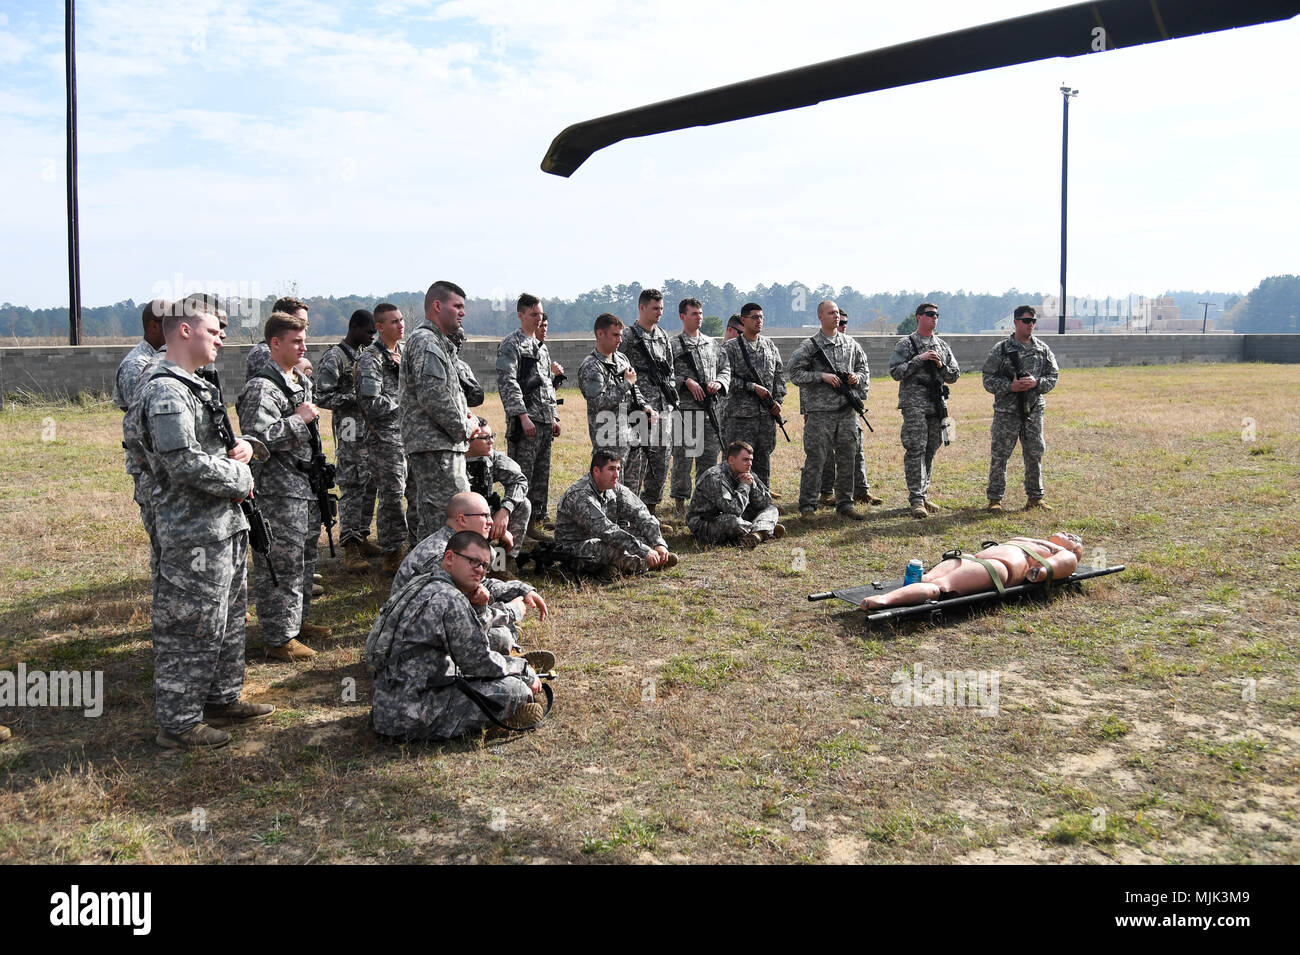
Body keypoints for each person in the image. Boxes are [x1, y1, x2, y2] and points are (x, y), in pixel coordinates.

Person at [134, 295, 273, 748]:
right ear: (185, 331)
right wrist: (240, 473)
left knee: (227, 618)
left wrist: (243, 450)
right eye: (214, 331)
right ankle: (177, 723)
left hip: (222, 525)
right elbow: (183, 464)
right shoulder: (165, 390)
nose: (222, 337)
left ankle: (221, 698)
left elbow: (211, 449)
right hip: (191, 531)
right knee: (189, 624)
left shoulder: (198, 385)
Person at [368, 531, 548, 740]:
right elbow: (478, 663)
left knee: (493, 663)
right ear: (450, 558)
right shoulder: (450, 597)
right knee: (515, 690)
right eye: (473, 562)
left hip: (386, 706)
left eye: (484, 566)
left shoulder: (421, 582)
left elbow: (469, 645)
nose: (480, 570)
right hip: (413, 716)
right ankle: (493, 723)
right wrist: (524, 671)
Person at [236, 311, 332, 663]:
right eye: (295, 340)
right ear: (275, 343)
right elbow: (255, 440)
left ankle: (298, 621)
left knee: (305, 560)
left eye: (304, 339)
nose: (303, 345)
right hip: (278, 490)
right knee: (282, 563)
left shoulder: (300, 383)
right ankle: (279, 636)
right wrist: (297, 420)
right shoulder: (262, 387)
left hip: (305, 486)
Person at [392, 493, 549, 655]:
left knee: (498, 619)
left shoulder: (457, 545)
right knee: (500, 637)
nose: (491, 521)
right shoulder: (443, 557)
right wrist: (510, 611)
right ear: (462, 520)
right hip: (412, 645)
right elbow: (463, 619)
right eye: (485, 515)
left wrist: (521, 589)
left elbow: (479, 586)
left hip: (427, 627)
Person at [401, 280, 476, 542]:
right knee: (447, 516)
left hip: (441, 443)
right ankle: (433, 576)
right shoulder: (425, 341)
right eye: (457, 306)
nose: (462, 312)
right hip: (435, 444)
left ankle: (433, 574)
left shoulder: (438, 342)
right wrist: (464, 427)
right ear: (437, 306)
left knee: (438, 516)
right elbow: (433, 395)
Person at [790, 300, 870, 519]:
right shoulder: (810, 346)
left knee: (847, 458)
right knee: (815, 460)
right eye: (830, 313)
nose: (835, 316)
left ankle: (846, 503)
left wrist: (857, 378)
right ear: (820, 317)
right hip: (820, 414)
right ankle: (807, 506)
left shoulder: (851, 344)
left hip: (846, 411)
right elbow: (794, 373)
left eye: (837, 313)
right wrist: (821, 377)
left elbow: (864, 369)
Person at [862, 532, 1083, 609]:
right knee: (928, 576)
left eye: (1072, 538)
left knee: (940, 587)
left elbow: (1061, 565)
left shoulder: (1060, 552)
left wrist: (1042, 573)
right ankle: (900, 594)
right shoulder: (1038, 541)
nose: (1065, 533)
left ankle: (884, 600)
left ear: (1072, 548)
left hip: (998, 567)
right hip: (972, 558)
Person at [315, 308, 378, 571]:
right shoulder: (335, 357)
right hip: (350, 433)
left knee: (370, 485)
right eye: (368, 331)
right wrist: (355, 398)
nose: (372, 337)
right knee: (352, 487)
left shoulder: (365, 356)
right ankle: (350, 546)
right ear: (354, 328)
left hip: (371, 433)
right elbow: (321, 395)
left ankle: (362, 535)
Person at [982, 305, 1061, 511]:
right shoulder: (1002, 349)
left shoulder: (1042, 349)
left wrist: (1036, 383)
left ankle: (1035, 497)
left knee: (1035, 453)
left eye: (1034, 321)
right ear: (1016, 322)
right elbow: (988, 379)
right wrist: (1011, 386)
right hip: (1007, 412)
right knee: (1000, 454)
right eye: (1027, 321)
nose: (1031, 325)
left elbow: (1053, 377)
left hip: (1033, 410)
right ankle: (995, 499)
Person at [553, 450, 677, 580]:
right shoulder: (581, 496)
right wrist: (645, 551)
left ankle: (618, 567)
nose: (616, 474)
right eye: (611, 469)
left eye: (618, 469)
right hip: (575, 546)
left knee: (641, 537)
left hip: (603, 539)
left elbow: (640, 513)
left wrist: (658, 542)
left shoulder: (613, 487)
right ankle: (646, 564)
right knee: (611, 550)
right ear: (596, 471)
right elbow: (606, 531)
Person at [497, 293, 560, 543]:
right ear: (521, 314)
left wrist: (553, 416)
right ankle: (515, 529)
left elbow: (546, 384)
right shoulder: (511, 344)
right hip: (526, 423)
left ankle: (533, 525)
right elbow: (508, 382)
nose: (538, 318)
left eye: (540, 314)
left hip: (544, 419)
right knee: (521, 477)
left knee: (540, 477)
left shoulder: (541, 348)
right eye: (534, 314)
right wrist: (522, 416)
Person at [355, 303, 413, 573]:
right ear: (379, 327)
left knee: (415, 492)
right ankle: (393, 552)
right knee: (392, 496)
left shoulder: (405, 353)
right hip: (385, 439)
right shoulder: (370, 359)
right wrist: (402, 398)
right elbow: (370, 404)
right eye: (393, 322)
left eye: (401, 320)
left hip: (411, 435)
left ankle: (414, 544)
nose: (400, 325)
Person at [889, 302, 961, 519]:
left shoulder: (942, 345)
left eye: (937, 315)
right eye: (930, 314)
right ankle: (916, 499)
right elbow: (895, 372)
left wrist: (941, 366)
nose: (934, 318)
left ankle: (924, 492)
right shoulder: (907, 344)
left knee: (931, 448)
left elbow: (954, 375)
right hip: (914, 403)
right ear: (918, 317)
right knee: (915, 449)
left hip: (936, 403)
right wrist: (919, 360)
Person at [114, 298, 169, 574]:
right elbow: (141, 422)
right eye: (170, 324)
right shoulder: (137, 365)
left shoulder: (162, 360)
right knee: (160, 535)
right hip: (147, 464)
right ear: (153, 326)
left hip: (161, 462)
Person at [669, 296, 730, 521]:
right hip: (685, 411)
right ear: (683, 316)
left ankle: (704, 501)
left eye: (701, 313)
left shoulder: (712, 343)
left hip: (710, 410)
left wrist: (720, 383)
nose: (699, 318)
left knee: (708, 458)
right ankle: (679, 503)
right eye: (694, 314)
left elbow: (726, 368)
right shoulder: (673, 345)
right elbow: (665, 376)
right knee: (683, 458)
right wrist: (685, 381)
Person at [618, 288, 676, 519]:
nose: (659, 312)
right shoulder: (629, 336)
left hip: (662, 409)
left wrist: (670, 397)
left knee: (661, 460)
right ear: (642, 308)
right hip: (639, 408)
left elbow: (670, 369)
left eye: (661, 308)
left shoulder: (662, 335)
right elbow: (619, 366)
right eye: (655, 308)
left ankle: (651, 509)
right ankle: (632, 512)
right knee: (638, 461)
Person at [818, 308, 881, 507]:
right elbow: (808, 383)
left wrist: (858, 387)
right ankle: (826, 491)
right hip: (824, 410)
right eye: (839, 321)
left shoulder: (852, 346)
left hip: (849, 408)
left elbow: (865, 370)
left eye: (844, 322)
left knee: (856, 450)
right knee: (826, 453)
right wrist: (807, 411)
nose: (841, 325)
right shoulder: (818, 347)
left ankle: (861, 490)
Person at [724, 303, 786, 491]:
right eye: (755, 317)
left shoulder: (769, 345)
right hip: (741, 417)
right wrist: (751, 387)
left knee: (763, 459)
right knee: (737, 463)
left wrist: (778, 400)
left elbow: (779, 375)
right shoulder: (731, 348)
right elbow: (724, 378)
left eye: (761, 317)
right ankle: (734, 499)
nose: (759, 321)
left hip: (765, 416)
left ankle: (761, 498)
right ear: (743, 320)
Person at [579, 312, 656, 460]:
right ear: (600, 334)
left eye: (621, 335)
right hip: (609, 440)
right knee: (613, 483)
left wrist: (644, 405)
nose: (620, 340)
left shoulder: (621, 358)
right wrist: (625, 384)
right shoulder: (591, 366)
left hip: (631, 433)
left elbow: (634, 388)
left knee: (633, 483)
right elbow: (598, 403)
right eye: (615, 335)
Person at [687, 441, 784, 548]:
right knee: (732, 521)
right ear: (731, 460)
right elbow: (734, 510)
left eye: (751, 460)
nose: (749, 463)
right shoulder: (715, 477)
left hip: (735, 515)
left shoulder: (746, 471)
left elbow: (765, 503)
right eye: (745, 459)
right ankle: (764, 530)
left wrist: (753, 486)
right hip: (705, 522)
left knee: (771, 509)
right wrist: (745, 486)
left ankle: (758, 533)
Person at [465, 419, 530, 577]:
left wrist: (505, 511)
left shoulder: (491, 457)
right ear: (469, 439)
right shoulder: (453, 461)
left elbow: (519, 480)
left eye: (492, 436)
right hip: (462, 520)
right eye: (486, 438)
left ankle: (501, 567)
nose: (491, 441)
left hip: (485, 515)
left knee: (523, 505)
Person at [246, 296, 314, 379]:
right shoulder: (262, 352)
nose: (305, 326)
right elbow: (281, 380)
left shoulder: (291, 350)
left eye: (307, 323)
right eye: (300, 321)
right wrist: (302, 365)